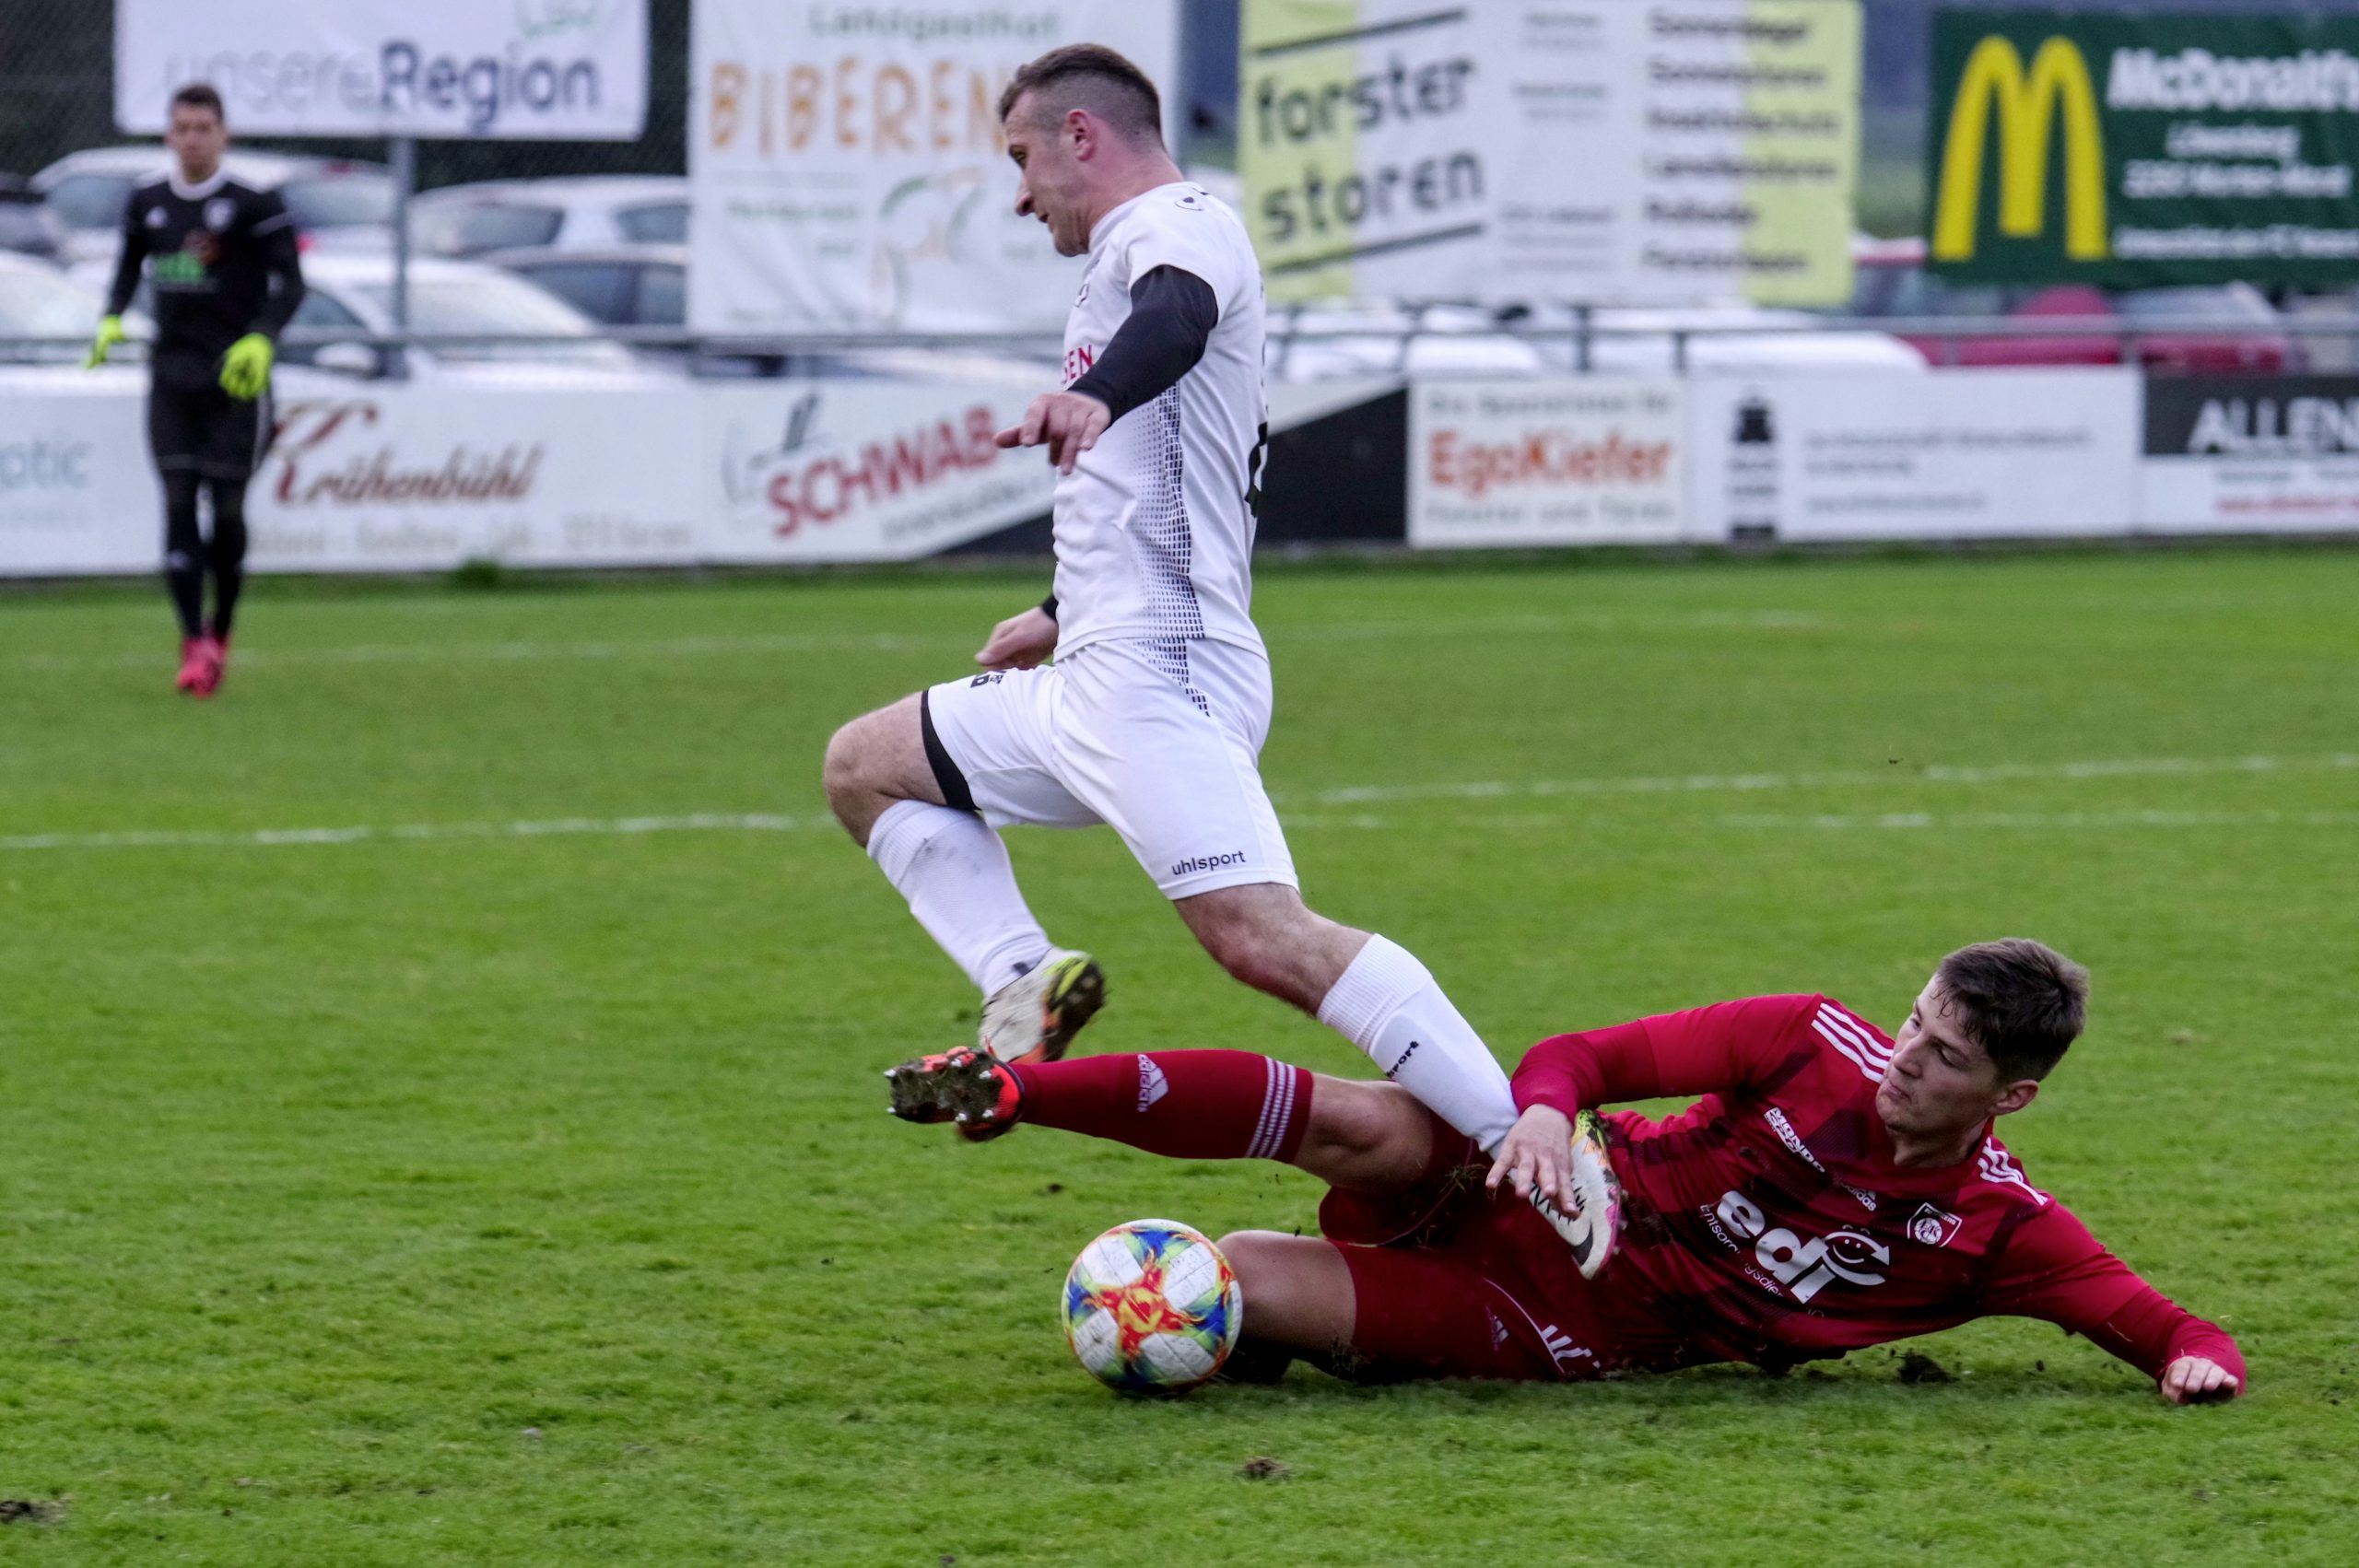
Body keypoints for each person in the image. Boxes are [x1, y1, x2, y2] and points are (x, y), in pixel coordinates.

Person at [822, 44, 1521, 1153]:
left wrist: (1088, 392)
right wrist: (1058, 605)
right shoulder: (1128, 253)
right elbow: (1161, 462)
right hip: (1095, 662)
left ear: (1081, 137)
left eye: (1021, 159)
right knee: (866, 766)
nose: (1018, 194)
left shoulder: (1176, 228)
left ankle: (1526, 1147)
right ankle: (1023, 982)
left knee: (1261, 938)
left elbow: (1177, 320)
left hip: (1162, 670)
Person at [886, 939, 2247, 1404]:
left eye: (1944, 1058)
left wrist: (2199, 1364)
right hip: (1561, 1186)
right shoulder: (1810, 1040)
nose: (1903, 1061)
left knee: (1230, 1278)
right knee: (1372, 1119)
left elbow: (2165, 1326)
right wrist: (1540, 1117)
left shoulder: (1999, 1227)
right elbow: (1582, 1053)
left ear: (2007, 1093)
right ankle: (1019, 1086)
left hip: (1574, 1326)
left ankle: (1278, 1328)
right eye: (1914, 1025)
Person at [85, 82, 304, 698]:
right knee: (178, 502)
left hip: (236, 382)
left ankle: (222, 630)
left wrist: (262, 337)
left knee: (227, 509)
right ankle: (193, 642)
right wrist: (111, 316)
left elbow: (292, 283)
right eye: (181, 128)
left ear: (223, 134)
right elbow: (128, 266)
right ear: (167, 134)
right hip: (172, 380)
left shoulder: (255, 203)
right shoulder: (148, 201)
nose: (192, 139)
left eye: (203, 128)